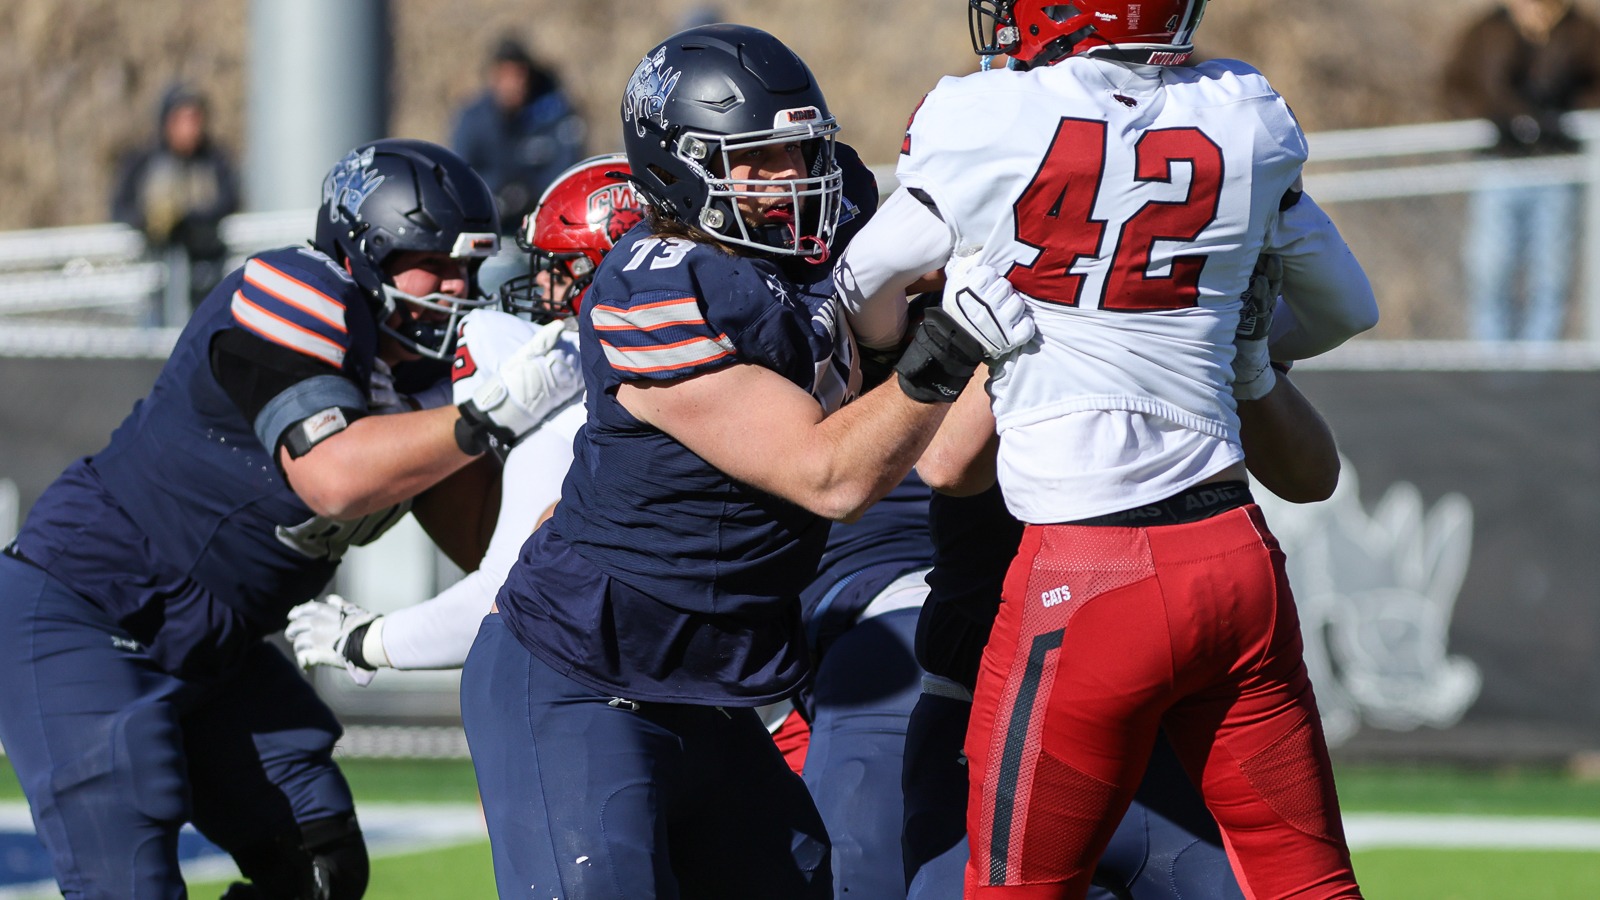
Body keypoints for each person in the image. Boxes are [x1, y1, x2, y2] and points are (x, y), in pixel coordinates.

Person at [457, 23, 1032, 899]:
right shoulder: (657, 280)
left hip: (711, 693)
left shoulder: (810, 250)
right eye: (758, 161)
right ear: (675, 166)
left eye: (801, 151)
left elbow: (934, 440)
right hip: (580, 681)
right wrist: (945, 347)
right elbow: (827, 476)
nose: (790, 179)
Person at [833, 1, 1380, 897]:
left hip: (1087, 574)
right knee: (1304, 883)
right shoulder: (1238, 106)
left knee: (1014, 887)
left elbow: (864, 290)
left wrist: (966, 332)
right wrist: (1208, 334)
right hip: (1234, 558)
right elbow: (1346, 311)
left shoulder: (995, 117)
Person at [0, 138, 579, 899]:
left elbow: (485, 545)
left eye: (469, 268)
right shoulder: (292, 286)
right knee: (126, 879)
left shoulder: (435, 378)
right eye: (435, 265)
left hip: (220, 642)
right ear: (365, 253)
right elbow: (333, 478)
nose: (458, 288)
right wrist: (488, 418)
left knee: (318, 864)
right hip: (87, 605)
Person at [285, 153, 637, 681]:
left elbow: (510, 590)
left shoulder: (571, 401)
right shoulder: (711, 374)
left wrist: (364, 640)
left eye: (560, 272)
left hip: (615, 682)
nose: (539, 291)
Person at [1442, 0, 1600, 342]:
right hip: (1500, 161)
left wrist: (1564, 121)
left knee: (1551, 271)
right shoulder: (1488, 28)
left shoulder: (1582, 31)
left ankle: (1541, 365)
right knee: (1490, 266)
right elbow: (1457, 85)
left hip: (1557, 164)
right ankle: (1493, 362)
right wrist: (1497, 118)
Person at [110, 83, 241, 315]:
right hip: (152, 278)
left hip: (205, 275)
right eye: (183, 119)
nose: (190, 128)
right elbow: (120, 207)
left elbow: (229, 203)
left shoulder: (215, 160)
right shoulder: (144, 161)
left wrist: (188, 220)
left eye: (195, 119)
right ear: (167, 122)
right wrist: (151, 222)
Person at [451, 36, 588, 234]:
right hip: (488, 226)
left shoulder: (554, 113)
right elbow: (461, 174)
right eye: (504, 76)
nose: (512, 84)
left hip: (543, 224)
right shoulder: (472, 118)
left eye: (518, 75)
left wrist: (529, 195)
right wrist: (495, 198)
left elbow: (567, 172)